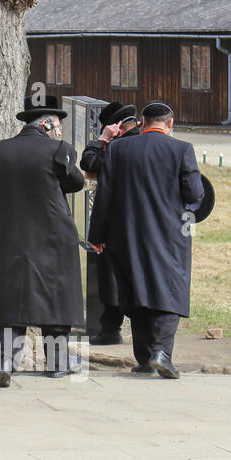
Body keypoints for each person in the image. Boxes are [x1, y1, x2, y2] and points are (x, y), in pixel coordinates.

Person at [88, 101, 206, 379]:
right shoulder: (181, 150)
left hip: (124, 233)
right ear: (171, 123)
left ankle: (143, 358)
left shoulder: (117, 149)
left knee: (133, 290)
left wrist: (97, 235)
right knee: (170, 289)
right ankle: (161, 353)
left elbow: (104, 194)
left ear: (142, 121)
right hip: (168, 234)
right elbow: (193, 192)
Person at [0, 94, 86, 387]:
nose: (61, 130)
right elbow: (76, 182)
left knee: (13, 298)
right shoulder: (58, 149)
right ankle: (57, 364)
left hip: (11, 237)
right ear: (48, 123)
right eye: (58, 124)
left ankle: (7, 362)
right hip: (53, 237)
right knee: (56, 298)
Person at [78, 100, 141, 346]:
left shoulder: (116, 148)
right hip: (144, 224)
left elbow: (88, 162)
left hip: (116, 223)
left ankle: (111, 328)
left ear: (115, 127)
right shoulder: (145, 141)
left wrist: (103, 139)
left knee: (112, 277)